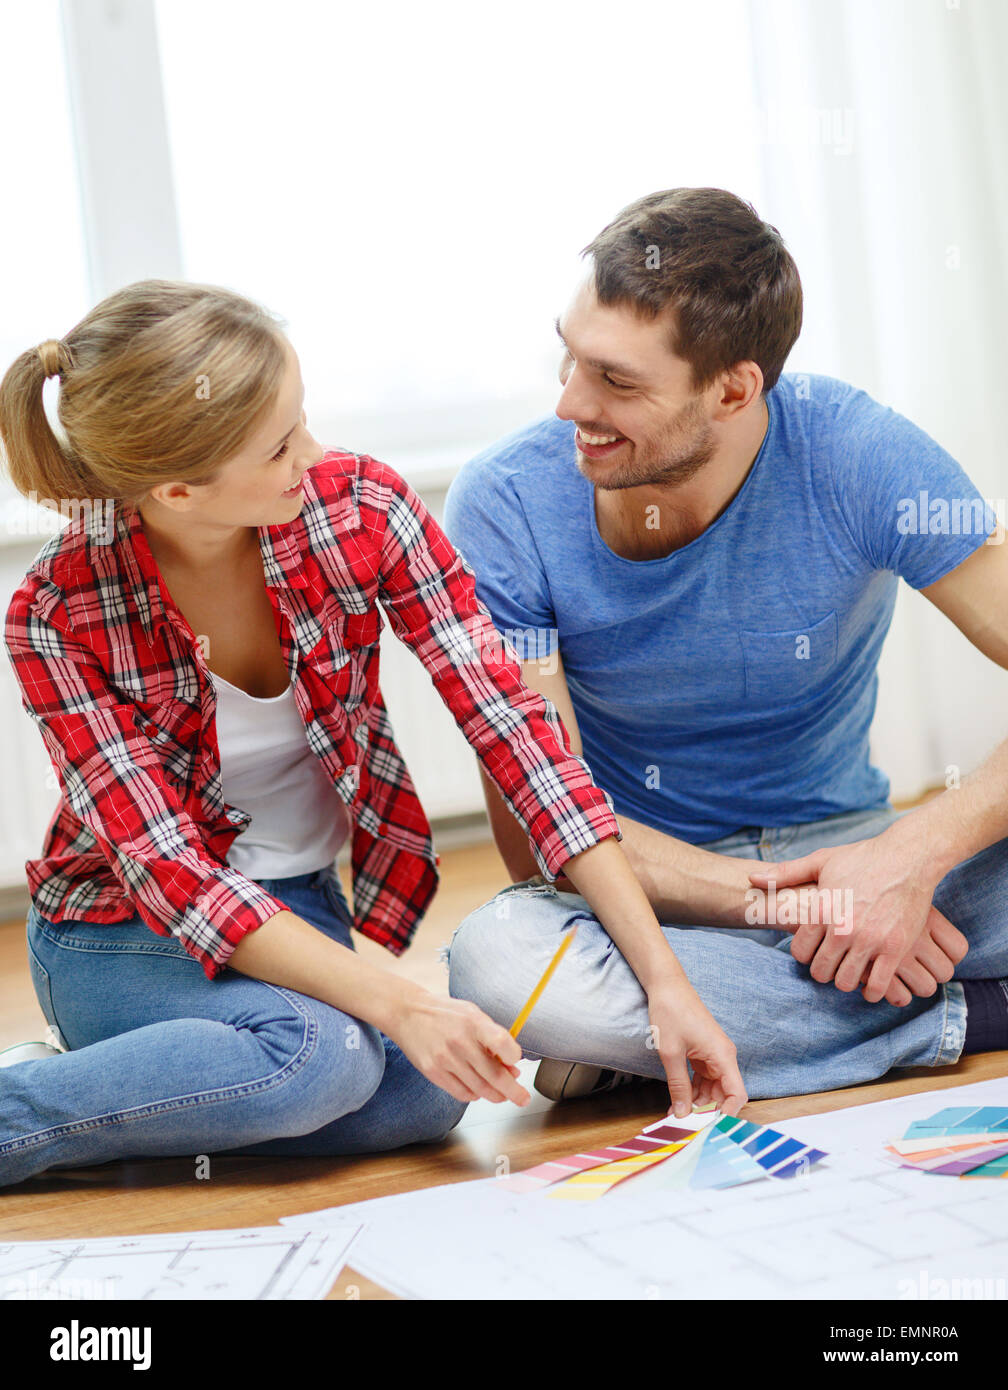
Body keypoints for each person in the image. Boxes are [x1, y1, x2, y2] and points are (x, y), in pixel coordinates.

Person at [0, 279, 750, 1188]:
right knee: (321, 1061)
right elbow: (174, 875)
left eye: (303, 419)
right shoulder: (54, 608)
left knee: (431, 1095)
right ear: (178, 489)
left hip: (296, 906)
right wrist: (401, 1007)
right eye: (281, 446)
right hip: (120, 933)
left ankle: (136, 1103)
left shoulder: (361, 508)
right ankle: (30, 1112)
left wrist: (663, 981)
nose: (313, 455)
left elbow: (518, 736)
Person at [443, 187, 1008, 1102]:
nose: (568, 405)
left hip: (859, 852)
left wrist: (908, 862)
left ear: (736, 388)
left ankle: (677, 1036)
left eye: (617, 382)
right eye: (570, 356)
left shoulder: (857, 453)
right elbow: (538, 825)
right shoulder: (505, 502)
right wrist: (794, 903)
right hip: (638, 891)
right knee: (500, 967)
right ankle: (971, 1012)